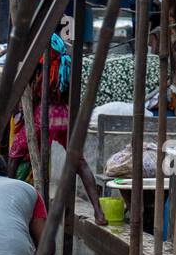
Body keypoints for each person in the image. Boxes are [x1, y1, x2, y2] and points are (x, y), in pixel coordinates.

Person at [8, 33, 106, 225]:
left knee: (14, 155)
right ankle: (98, 212)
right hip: (64, 115)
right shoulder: (65, 58)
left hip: (43, 115)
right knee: (80, 163)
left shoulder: (41, 56)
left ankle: (4, 195)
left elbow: (27, 86)